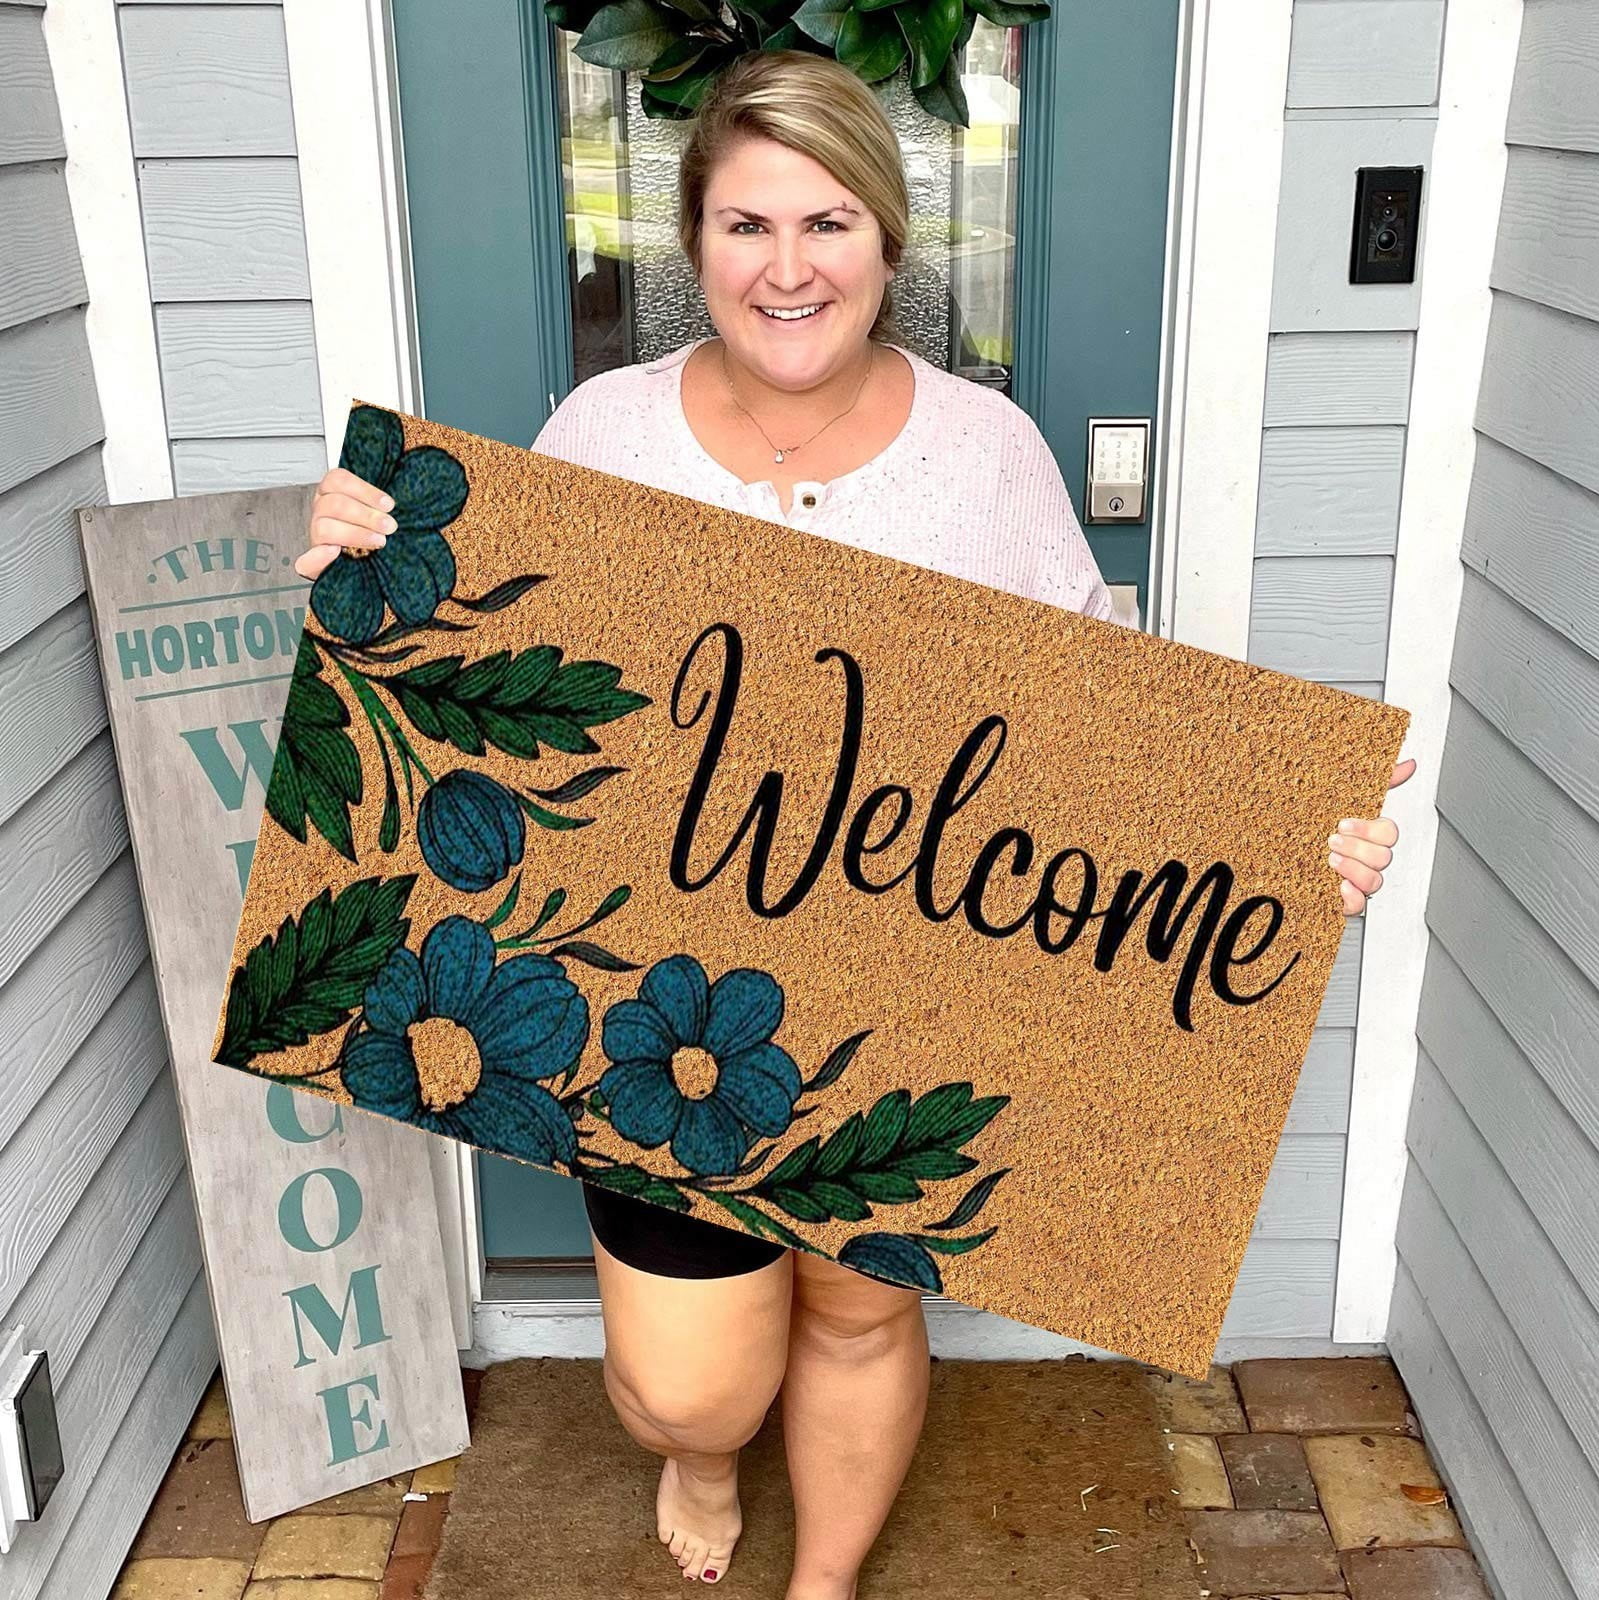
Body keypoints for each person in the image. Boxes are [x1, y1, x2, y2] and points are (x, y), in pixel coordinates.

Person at [297, 49, 1412, 1598]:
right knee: (694, 1384)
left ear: (888, 243)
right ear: (692, 249)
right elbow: (502, 663)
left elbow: (1113, 718)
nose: (788, 266)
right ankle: (703, 1454)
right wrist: (381, 555)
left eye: (828, 223)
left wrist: (1291, 843)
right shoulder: (606, 430)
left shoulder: (986, 452)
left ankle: (823, 1580)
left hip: (908, 968)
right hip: (659, 1004)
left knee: (867, 1306)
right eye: (748, 227)